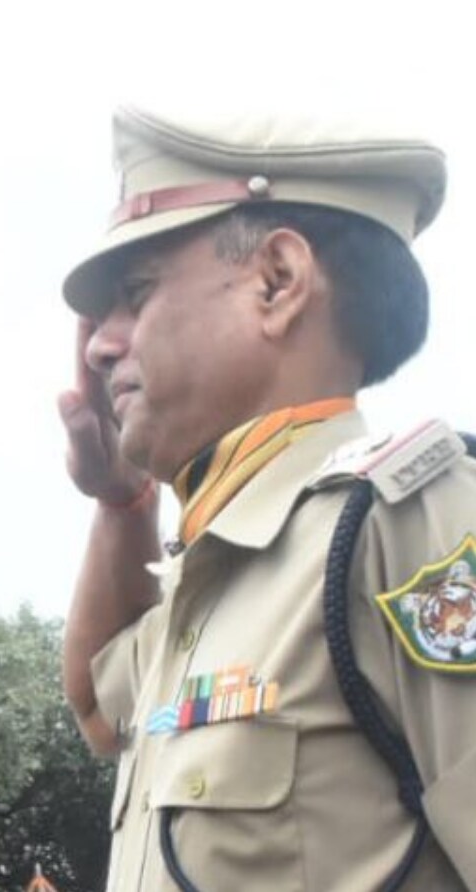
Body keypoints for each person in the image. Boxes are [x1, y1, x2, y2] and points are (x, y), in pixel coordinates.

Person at [58, 105, 475, 889]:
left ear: (279, 282)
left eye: (136, 294)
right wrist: (123, 508)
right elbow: (97, 708)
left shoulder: (402, 523)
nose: (99, 344)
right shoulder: (225, 564)